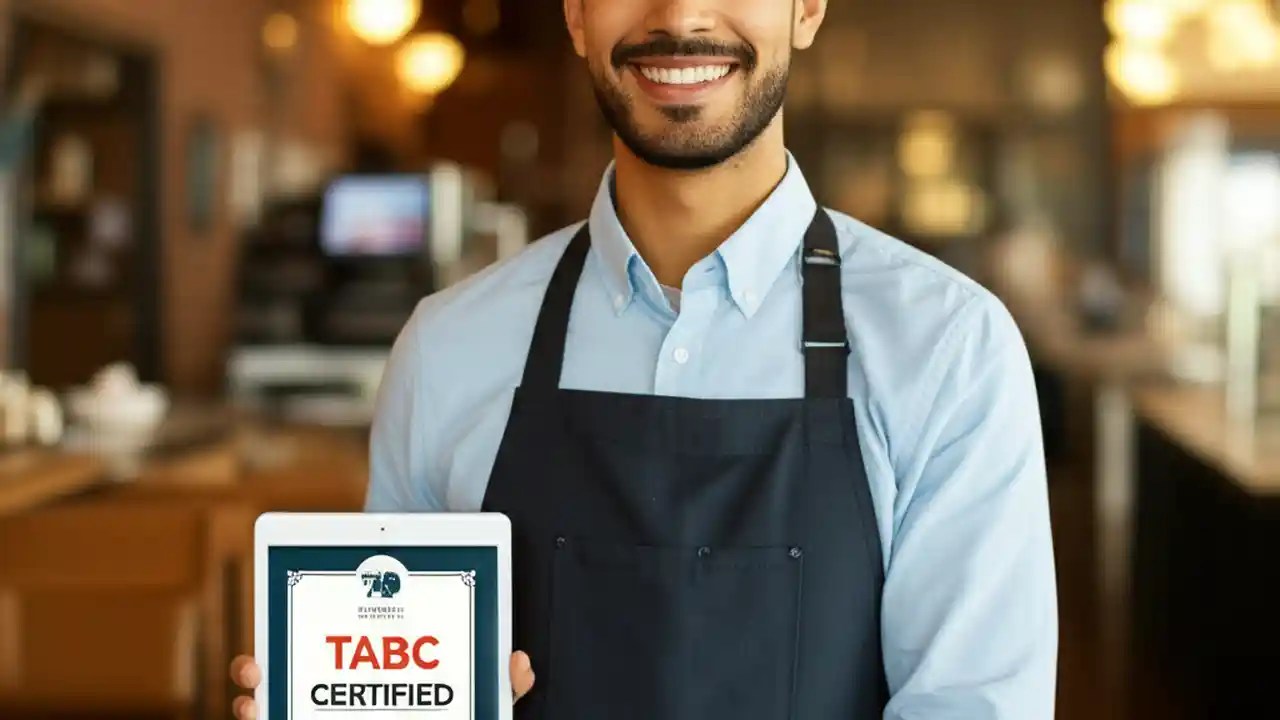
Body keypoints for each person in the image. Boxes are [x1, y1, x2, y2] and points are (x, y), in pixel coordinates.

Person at [231, 0, 1058, 717]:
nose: (680, 17)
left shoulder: (949, 350)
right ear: (576, 14)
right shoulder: (446, 348)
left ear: (807, 10)